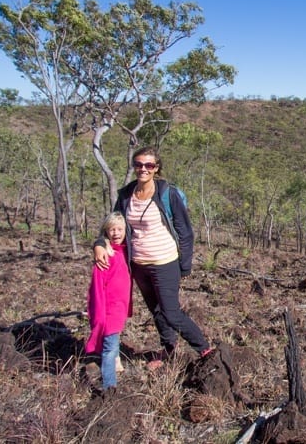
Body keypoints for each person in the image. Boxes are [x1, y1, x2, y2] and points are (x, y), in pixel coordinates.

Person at [94, 146, 213, 367]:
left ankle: (205, 349)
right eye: (138, 164)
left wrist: (184, 266)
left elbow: (185, 231)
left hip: (165, 262)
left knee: (170, 311)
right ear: (133, 166)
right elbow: (113, 226)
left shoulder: (168, 193)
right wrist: (100, 244)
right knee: (156, 310)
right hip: (138, 264)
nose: (143, 169)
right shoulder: (126, 194)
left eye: (149, 165)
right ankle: (169, 349)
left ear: (156, 168)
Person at [86, 211, 132, 391]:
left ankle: (116, 366)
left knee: (113, 342)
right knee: (109, 348)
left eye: (120, 229)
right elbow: (96, 289)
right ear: (106, 231)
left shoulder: (124, 250)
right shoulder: (105, 256)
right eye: (112, 229)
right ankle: (109, 388)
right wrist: (99, 315)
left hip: (119, 308)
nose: (116, 233)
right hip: (108, 310)